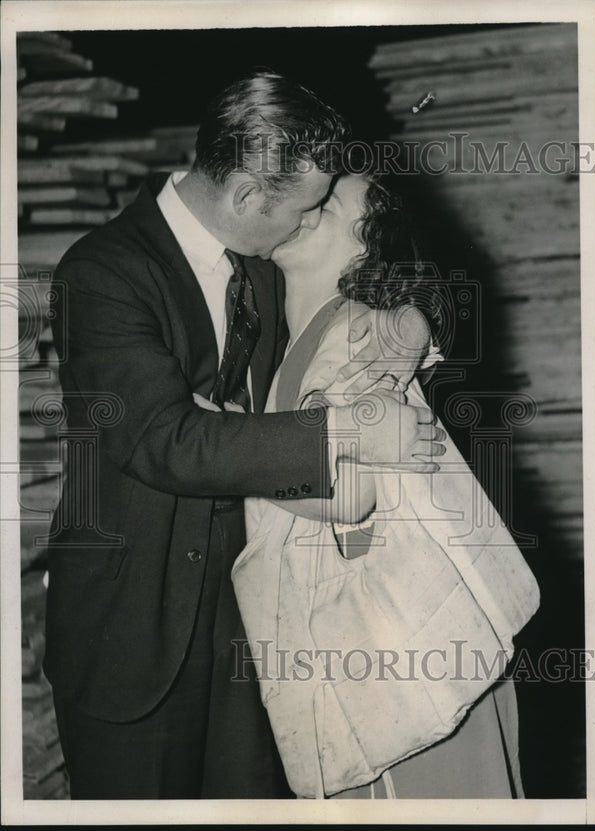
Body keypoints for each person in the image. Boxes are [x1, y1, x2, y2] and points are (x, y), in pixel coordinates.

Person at [42, 71, 446, 799]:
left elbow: (351, 330)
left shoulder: (261, 273)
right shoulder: (103, 272)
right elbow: (163, 439)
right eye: (305, 207)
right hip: (132, 638)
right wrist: (348, 431)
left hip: (249, 632)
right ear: (247, 198)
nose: (309, 221)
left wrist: (409, 327)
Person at [231, 172, 540, 799]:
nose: (309, 205)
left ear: (370, 242)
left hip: (401, 663)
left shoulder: (362, 328)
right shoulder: (300, 341)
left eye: (329, 200)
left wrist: (225, 448)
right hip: (389, 660)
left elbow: (351, 494)